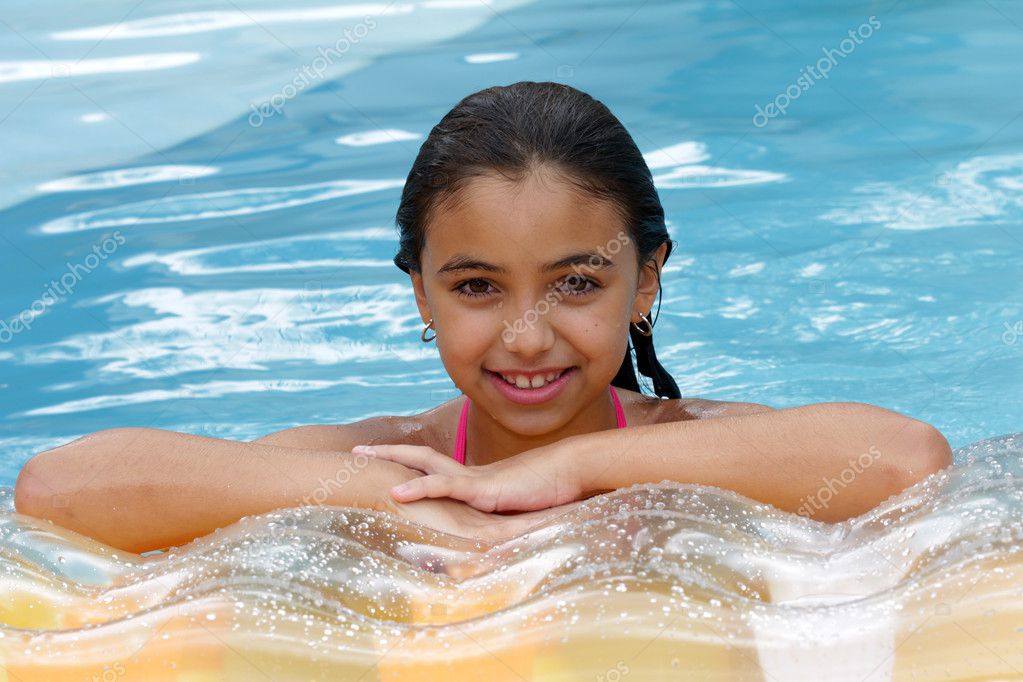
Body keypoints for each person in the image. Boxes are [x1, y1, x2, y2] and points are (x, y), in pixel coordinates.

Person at [13, 82, 952, 555]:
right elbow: (65, 485)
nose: (526, 337)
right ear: (419, 293)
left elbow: (905, 459)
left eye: (576, 283)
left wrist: (565, 469)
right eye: (475, 288)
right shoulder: (389, 455)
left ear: (647, 282)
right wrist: (444, 507)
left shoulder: (699, 441)